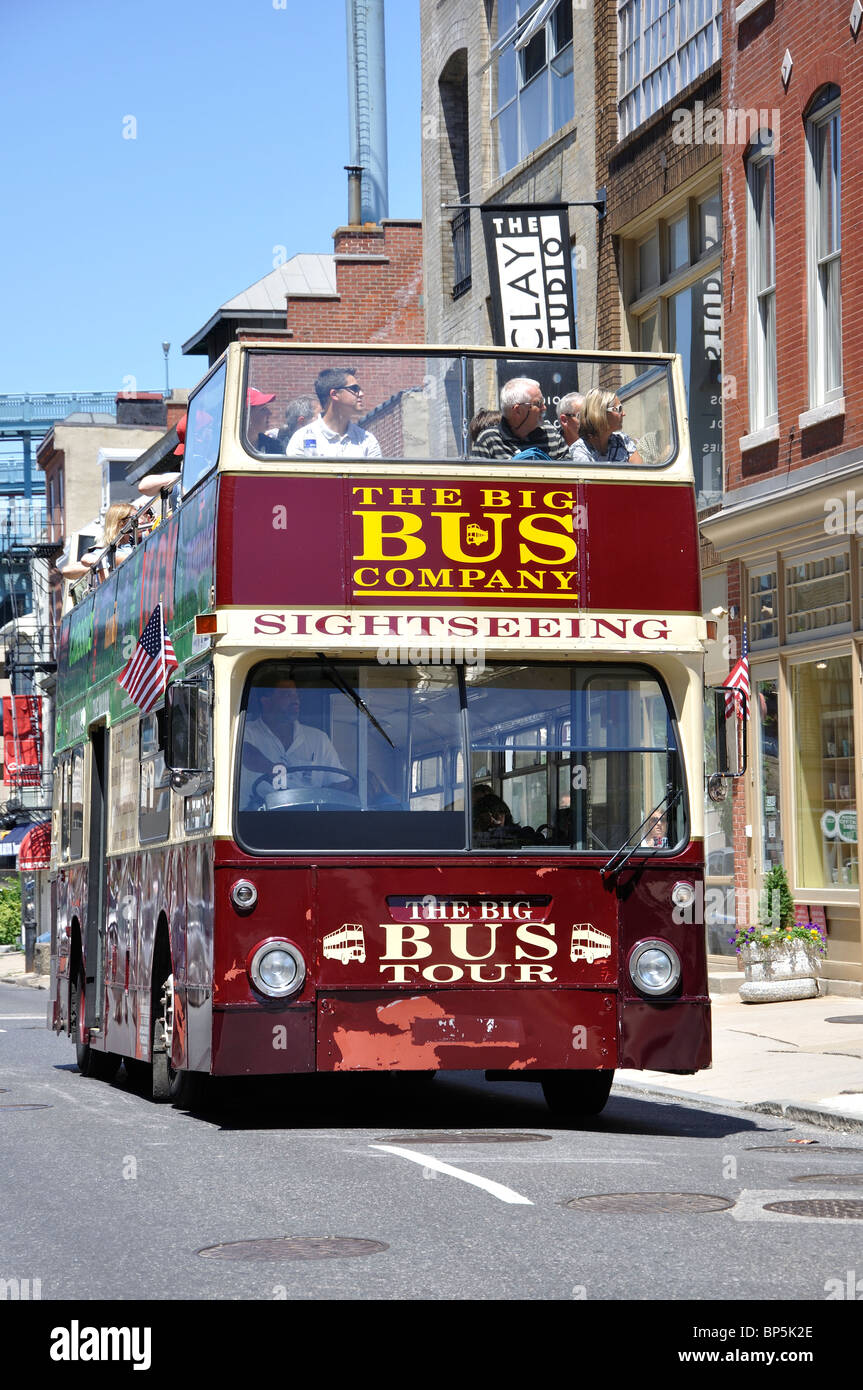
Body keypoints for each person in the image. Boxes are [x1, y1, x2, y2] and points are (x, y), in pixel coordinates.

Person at [240, 670, 346, 809]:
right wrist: (271, 768)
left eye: (296, 695)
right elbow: (245, 752)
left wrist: (357, 784)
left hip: (308, 817)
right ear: (265, 700)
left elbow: (339, 781)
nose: (295, 701)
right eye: (287, 695)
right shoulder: (245, 732)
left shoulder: (318, 738)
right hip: (255, 817)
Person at [286, 368, 382, 459]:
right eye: (354, 388)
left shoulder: (367, 440)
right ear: (334, 394)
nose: (361, 394)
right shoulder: (301, 438)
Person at [470, 378, 568, 461]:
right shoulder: (489, 440)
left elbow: (568, 471)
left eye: (543, 402)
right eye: (538, 403)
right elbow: (477, 476)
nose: (544, 408)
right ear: (518, 410)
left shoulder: (550, 433)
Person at [568, 388, 644, 465]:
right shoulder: (580, 450)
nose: (624, 413)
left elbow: (640, 470)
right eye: (619, 409)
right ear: (601, 413)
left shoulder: (623, 440)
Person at [246, 387, 283, 454]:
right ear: (246, 415)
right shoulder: (227, 446)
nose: (269, 413)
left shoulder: (274, 447)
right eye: (263, 409)